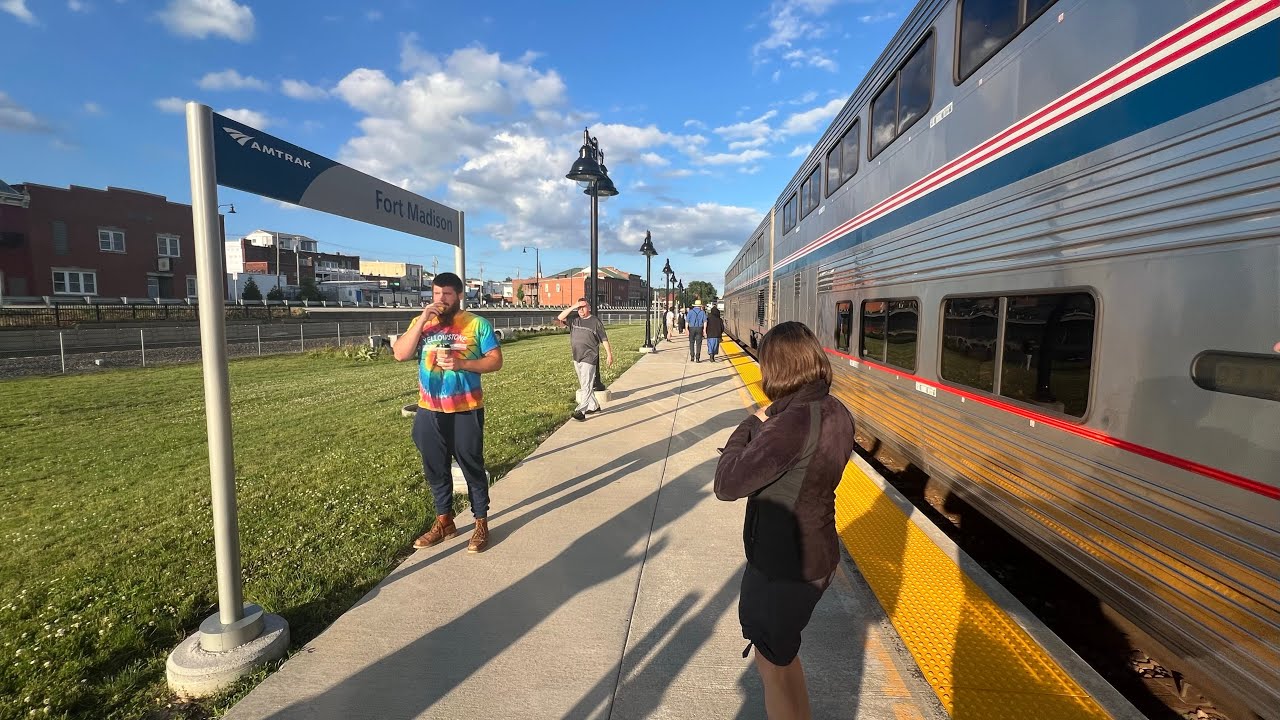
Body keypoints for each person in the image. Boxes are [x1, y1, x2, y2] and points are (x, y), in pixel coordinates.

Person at [713, 321, 856, 719]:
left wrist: (751, 423)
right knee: (784, 656)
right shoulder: (836, 410)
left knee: (771, 666)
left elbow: (727, 483)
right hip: (816, 555)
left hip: (784, 565)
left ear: (778, 368)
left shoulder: (788, 424)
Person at [393, 272, 503, 554]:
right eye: (436, 294)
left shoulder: (477, 324)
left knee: (472, 466)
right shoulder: (423, 323)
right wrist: (420, 321)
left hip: (466, 409)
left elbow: (495, 362)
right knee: (435, 467)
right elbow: (401, 354)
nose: (440, 300)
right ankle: (445, 521)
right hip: (429, 410)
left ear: (459, 295)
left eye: (447, 295)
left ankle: (480, 522)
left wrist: (461, 363)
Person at [556, 298, 614, 421]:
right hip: (577, 357)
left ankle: (581, 411)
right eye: (579, 308)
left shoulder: (595, 322)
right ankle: (594, 406)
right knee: (584, 384)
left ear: (589, 308)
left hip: (590, 356)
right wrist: (573, 306)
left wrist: (609, 354)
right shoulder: (574, 320)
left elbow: (604, 339)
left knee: (586, 385)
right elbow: (560, 317)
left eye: (583, 307)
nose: (581, 310)